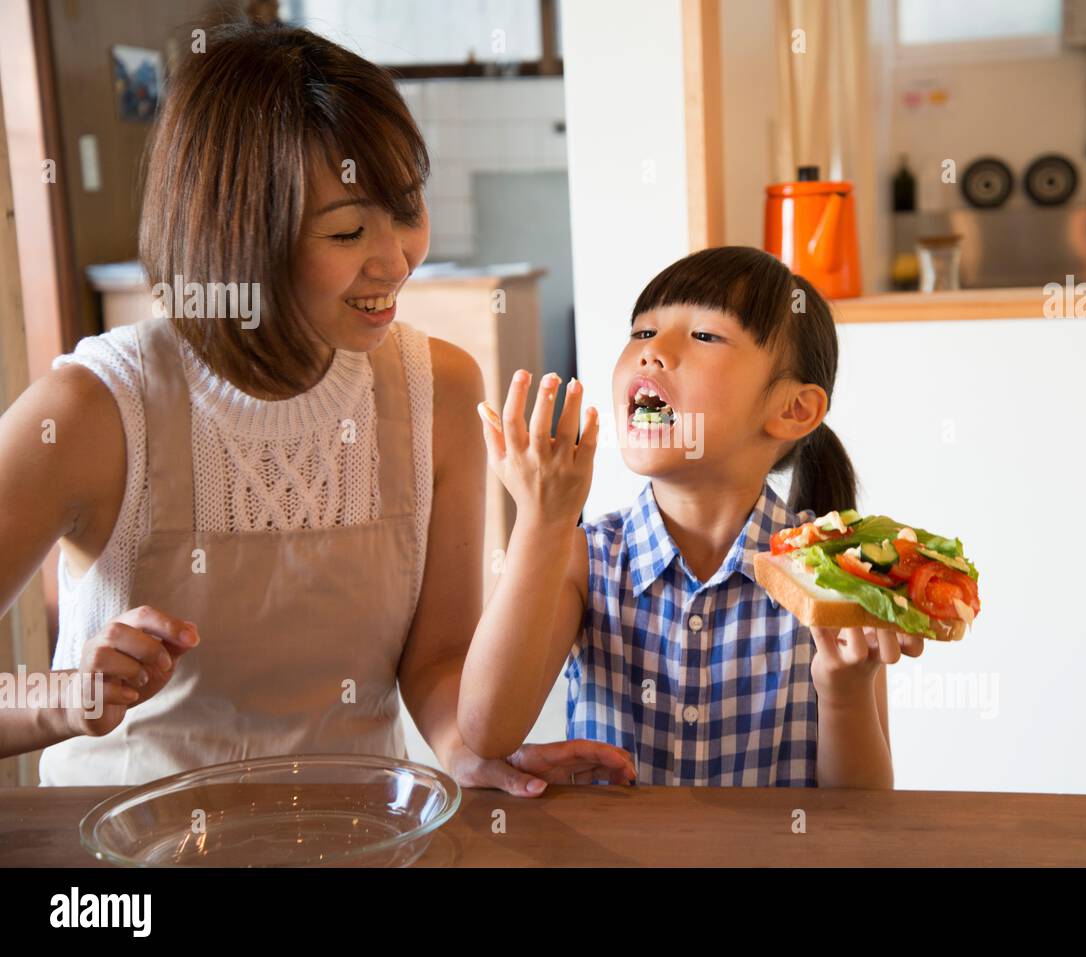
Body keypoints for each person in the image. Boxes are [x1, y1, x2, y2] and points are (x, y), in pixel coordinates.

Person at [0, 21, 633, 794]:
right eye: (346, 229)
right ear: (234, 232)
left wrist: (469, 749)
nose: (396, 259)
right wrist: (61, 701)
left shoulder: (439, 387)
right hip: (128, 843)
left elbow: (434, 663)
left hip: (353, 829)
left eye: (406, 210)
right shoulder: (93, 409)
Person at [461, 246, 922, 787]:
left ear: (793, 410)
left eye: (705, 335)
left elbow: (863, 821)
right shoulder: (584, 558)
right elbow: (487, 732)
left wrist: (844, 696)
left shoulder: (834, 575)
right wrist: (541, 520)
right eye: (642, 332)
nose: (652, 352)